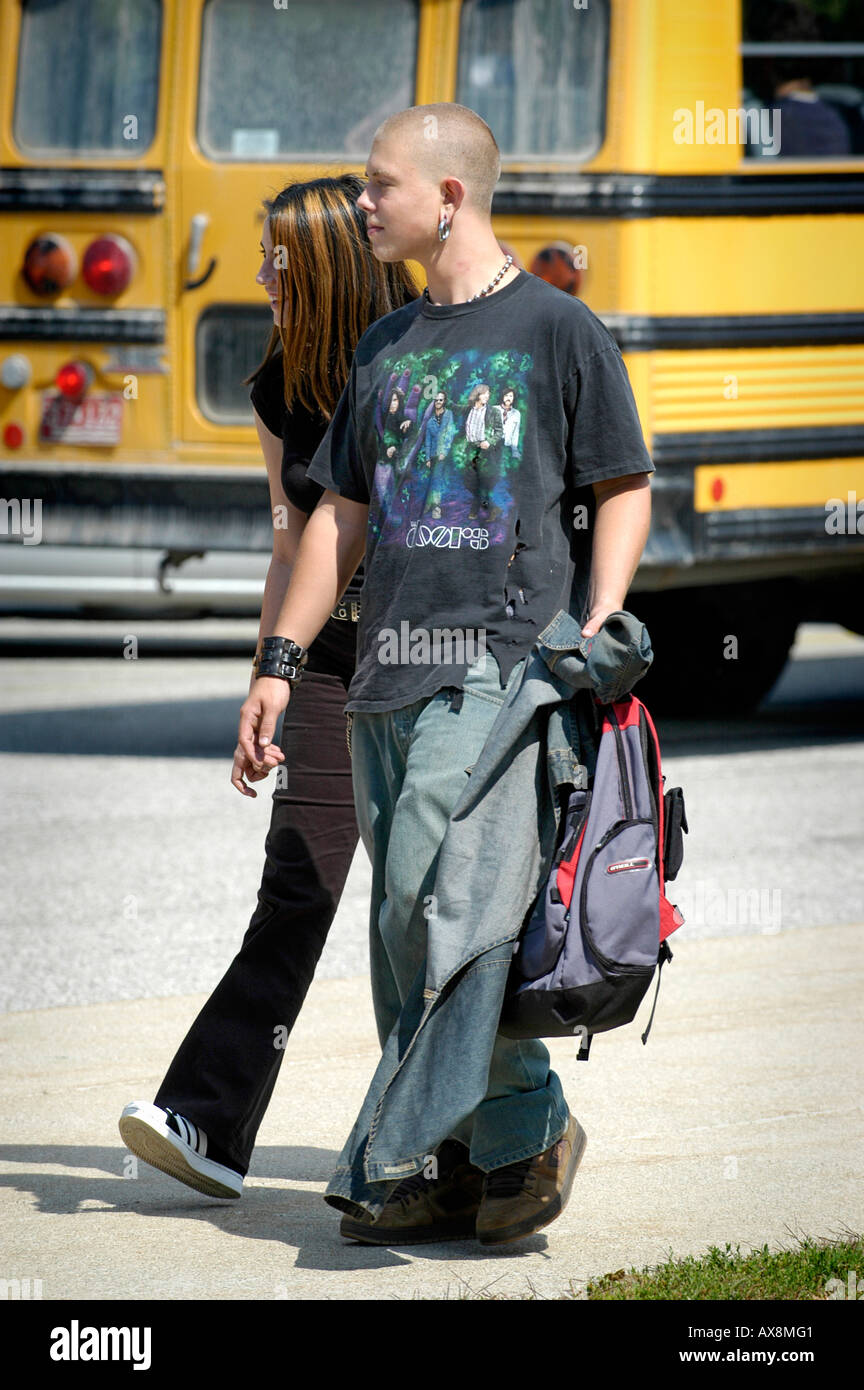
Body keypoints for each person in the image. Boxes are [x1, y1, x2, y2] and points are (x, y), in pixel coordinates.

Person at [239, 102, 654, 1245]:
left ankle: (529, 1118)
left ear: (449, 197)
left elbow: (622, 481)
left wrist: (602, 619)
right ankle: (459, 1165)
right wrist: (280, 660)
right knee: (398, 927)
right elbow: (336, 523)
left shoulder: (556, 331)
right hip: (383, 671)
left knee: (439, 900)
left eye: (380, 185)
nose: (363, 202)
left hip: (500, 663)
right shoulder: (386, 347)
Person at [118, 176, 417, 1198]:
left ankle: (449, 1138)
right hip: (328, 661)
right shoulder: (278, 382)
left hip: (431, 661)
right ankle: (206, 1123)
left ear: (328, 266)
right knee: (299, 878)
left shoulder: (421, 362)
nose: (256, 276)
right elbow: (290, 547)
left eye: (275, 260)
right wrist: (268, 676)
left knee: (427, 904)